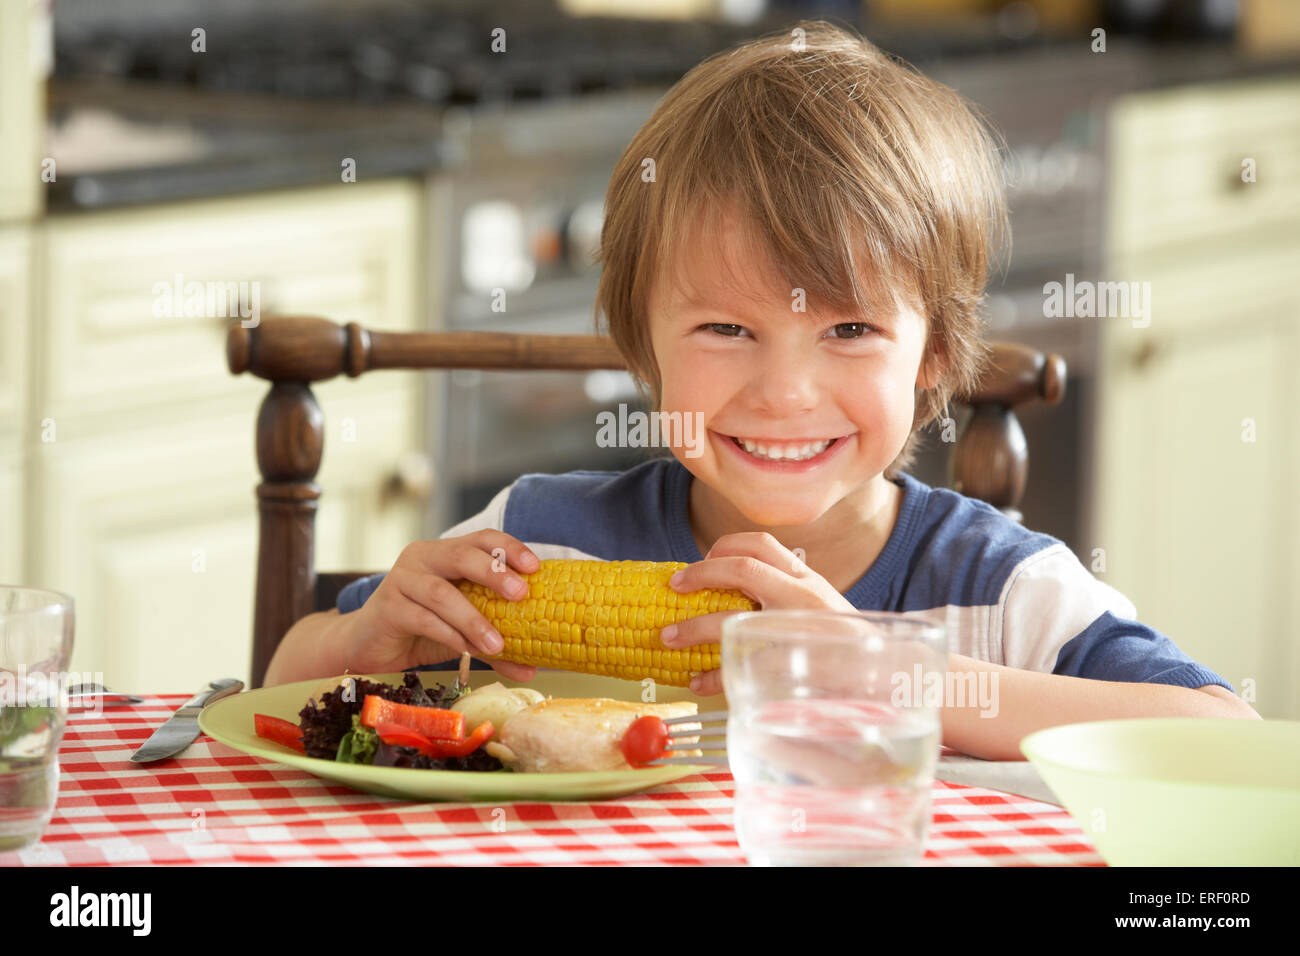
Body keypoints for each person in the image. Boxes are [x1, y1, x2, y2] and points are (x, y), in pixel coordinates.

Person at [264, 21, 1258, 759]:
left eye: (850, 329)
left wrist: (876, 666)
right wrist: (364, 636)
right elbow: (276, 689)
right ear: (641, 350)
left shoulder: (1000, 591)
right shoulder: (542, 536)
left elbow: (1224, 737)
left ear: (933, 356)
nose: (785, 390)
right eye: (726, 329)